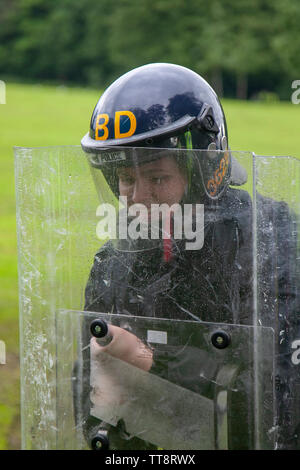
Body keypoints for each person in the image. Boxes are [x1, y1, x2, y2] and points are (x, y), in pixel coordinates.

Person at [78, 63, 299, 450]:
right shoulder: (116, 261)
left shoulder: (273, 243)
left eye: (157, 178)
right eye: (126, 180)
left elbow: (279, 406)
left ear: (206, 170)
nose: (138, 201)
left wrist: (147, 364)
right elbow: (86, 401)